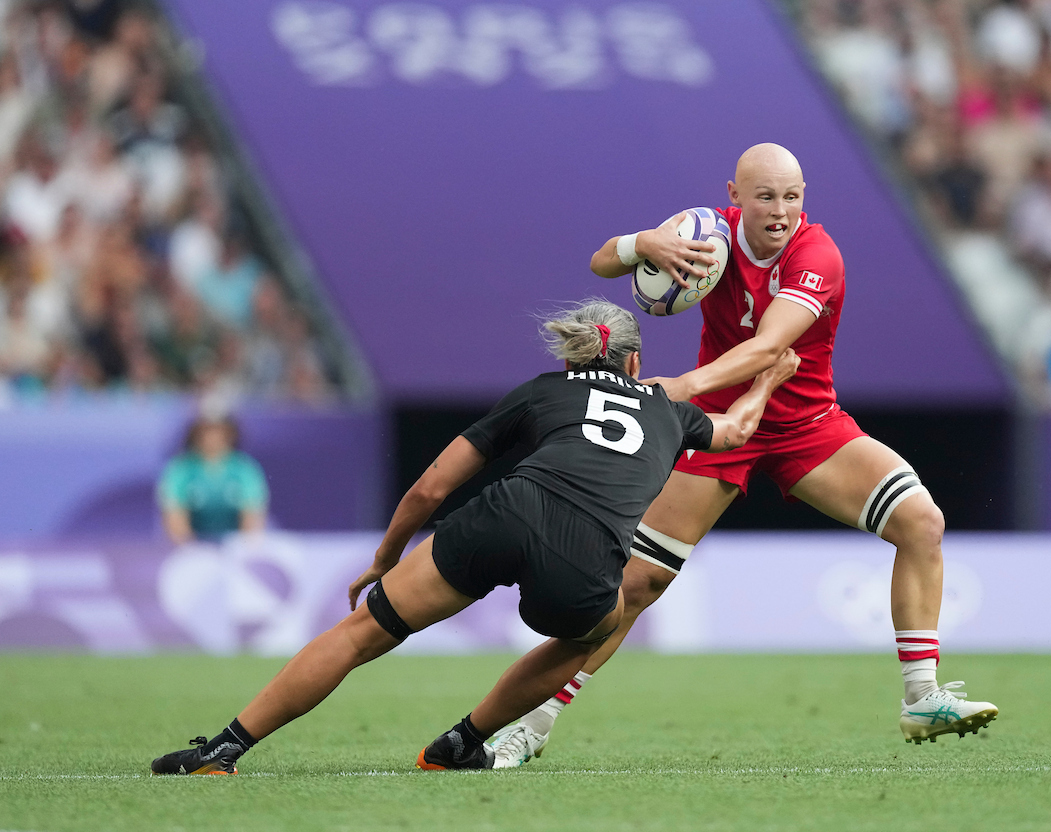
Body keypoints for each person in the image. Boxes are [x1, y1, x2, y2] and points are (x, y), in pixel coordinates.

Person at [492, 144, 999, 767]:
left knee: (921, 522)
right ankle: (532, 725)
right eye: (765, 197)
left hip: (806, 426)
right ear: (734, 196)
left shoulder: (819, 255)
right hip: (716, 429)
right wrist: (644, 244)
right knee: (635, 583)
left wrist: (679, 387)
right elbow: (602, 262)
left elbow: (768, 348)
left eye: (792, 196)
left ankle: (921, 696)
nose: (780, 211)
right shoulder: (707, 233)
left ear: (805, 195)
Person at [149, 299, 798, 774]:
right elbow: (738, 432)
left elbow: (432, 486)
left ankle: (225, 748)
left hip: (506, 512)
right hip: (587, 554)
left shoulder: (542, 392)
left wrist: (383, 558)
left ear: (575, 355)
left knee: (360, 634)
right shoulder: (670, 411)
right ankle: (464, 740)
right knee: (608, 620)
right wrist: (768, 378)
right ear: (635, 362)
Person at [157, 414, 268, 543]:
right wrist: (192, 549)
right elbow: (175, 520)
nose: (212, 436)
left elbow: (252, 520)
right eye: (206, 430)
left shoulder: (245, 470)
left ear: (230, 433)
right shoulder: (180, 470)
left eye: (219, 430)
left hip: (234, 547)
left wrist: (243, 549)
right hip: (194, 548)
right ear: (195, 434)